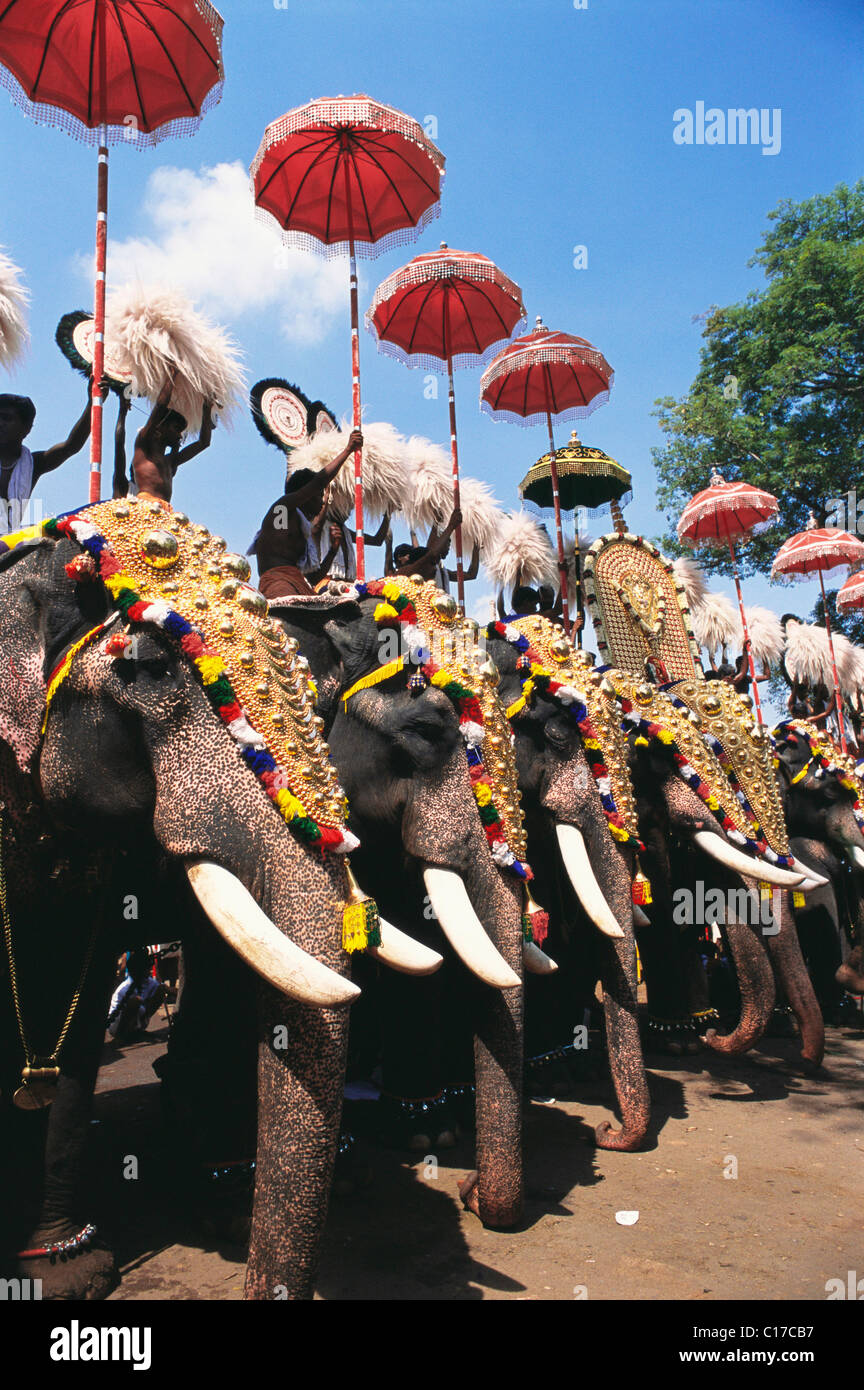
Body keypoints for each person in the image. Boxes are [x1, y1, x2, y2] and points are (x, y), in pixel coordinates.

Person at [250, 428, 362, 598]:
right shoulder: (282, 509)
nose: (322, 501)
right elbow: (319, 482)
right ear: (305, 494)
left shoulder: (300, 525)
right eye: (318, 495)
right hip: (278, 584)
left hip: (298, 583)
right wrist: (348, 450)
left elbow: (314, 577)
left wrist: (333, 550)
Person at [0, 380, 100, 534]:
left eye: (6, 418)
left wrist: (92, 402)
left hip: (6, 542)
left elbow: (71, 447)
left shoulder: (33, 464)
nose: (0, 424)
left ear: (26, 428)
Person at [128, 377, 214, 504]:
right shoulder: (144, 444)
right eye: (176, 429)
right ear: (160, 427)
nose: (180, 436)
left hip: (165, 511)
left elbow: (204, 442)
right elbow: (160, 406)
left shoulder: (170, 461)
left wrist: (207, 407)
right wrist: (172, 375)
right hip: (145, 506)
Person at [385, 507, 463, 581]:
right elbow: (432, 554)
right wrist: (451, 526)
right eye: (432, 564)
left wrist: (436, 522)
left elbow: (430, 553)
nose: (435, 569)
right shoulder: (408, 572)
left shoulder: (421, 576)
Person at [107, 948, 165, 1041]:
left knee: (162, 989)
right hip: (118, 1026)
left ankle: (137, 1030)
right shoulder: (125, 988)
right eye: (147, 969)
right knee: (135, 1001)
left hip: (138, 1020)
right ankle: (123, 1036)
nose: (149, 970)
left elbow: (160, 989)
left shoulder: (149, 982)